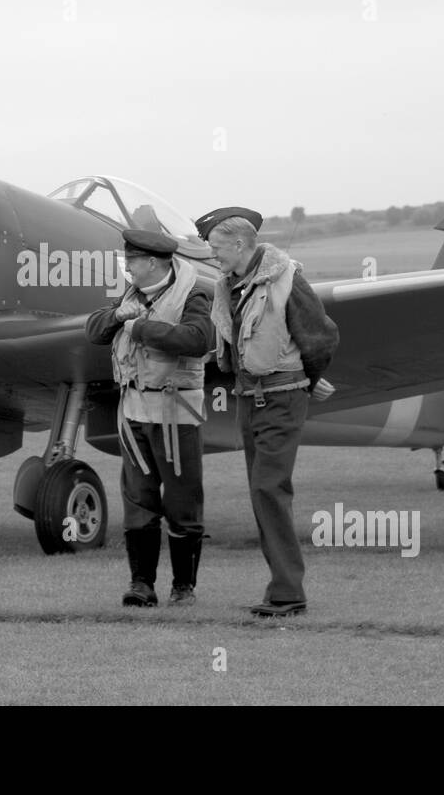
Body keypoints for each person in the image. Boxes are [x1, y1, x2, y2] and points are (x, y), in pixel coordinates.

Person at [195, 207, 339, 618]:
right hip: (250, 398)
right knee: (263, 491)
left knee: (269, 489)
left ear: (240, 245)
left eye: (217, 248)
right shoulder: (233, 284)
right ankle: (279, 591)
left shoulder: (286, 279)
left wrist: (307, 379)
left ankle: (289, 593)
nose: (213, 256)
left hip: (280, 398)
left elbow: (322, 337)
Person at [85, 229, 214, 607]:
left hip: (177, 418)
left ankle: (183, 587)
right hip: (134, 416)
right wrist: (115, 315)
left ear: (154, 263)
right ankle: (141, 584)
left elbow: (198, 338)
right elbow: (93, 330)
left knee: (182, 503)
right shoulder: (130, 296)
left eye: (133, 262)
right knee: (138, 501)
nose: (128, 268)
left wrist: (140, 328)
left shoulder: (195, 294)